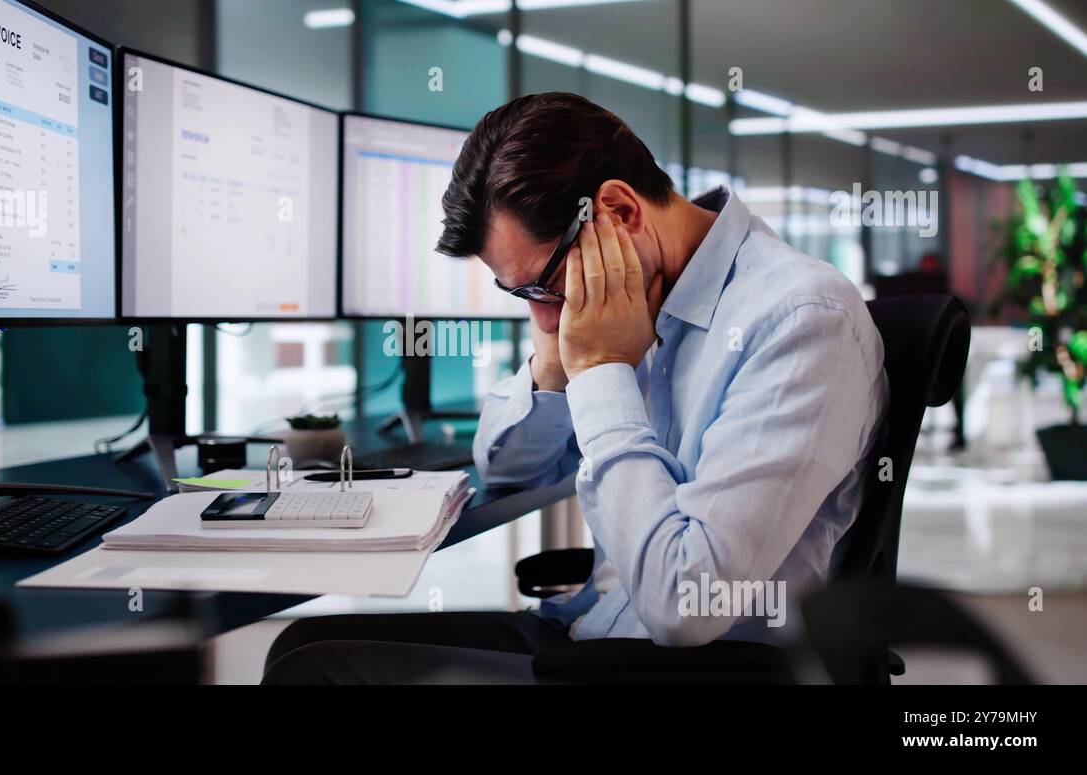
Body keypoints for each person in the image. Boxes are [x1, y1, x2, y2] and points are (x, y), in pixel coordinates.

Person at [263, 92, 887, 684]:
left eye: (543, 283)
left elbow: (686, 605)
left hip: (687, 669)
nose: (545, 311)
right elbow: (506, 469)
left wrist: (601, 371)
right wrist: (555, 370)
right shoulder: (626, 301)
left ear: (617, 213)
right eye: (521, 294)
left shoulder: (799, 319)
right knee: (298, 645)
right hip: (593, 629)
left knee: (313, 675)